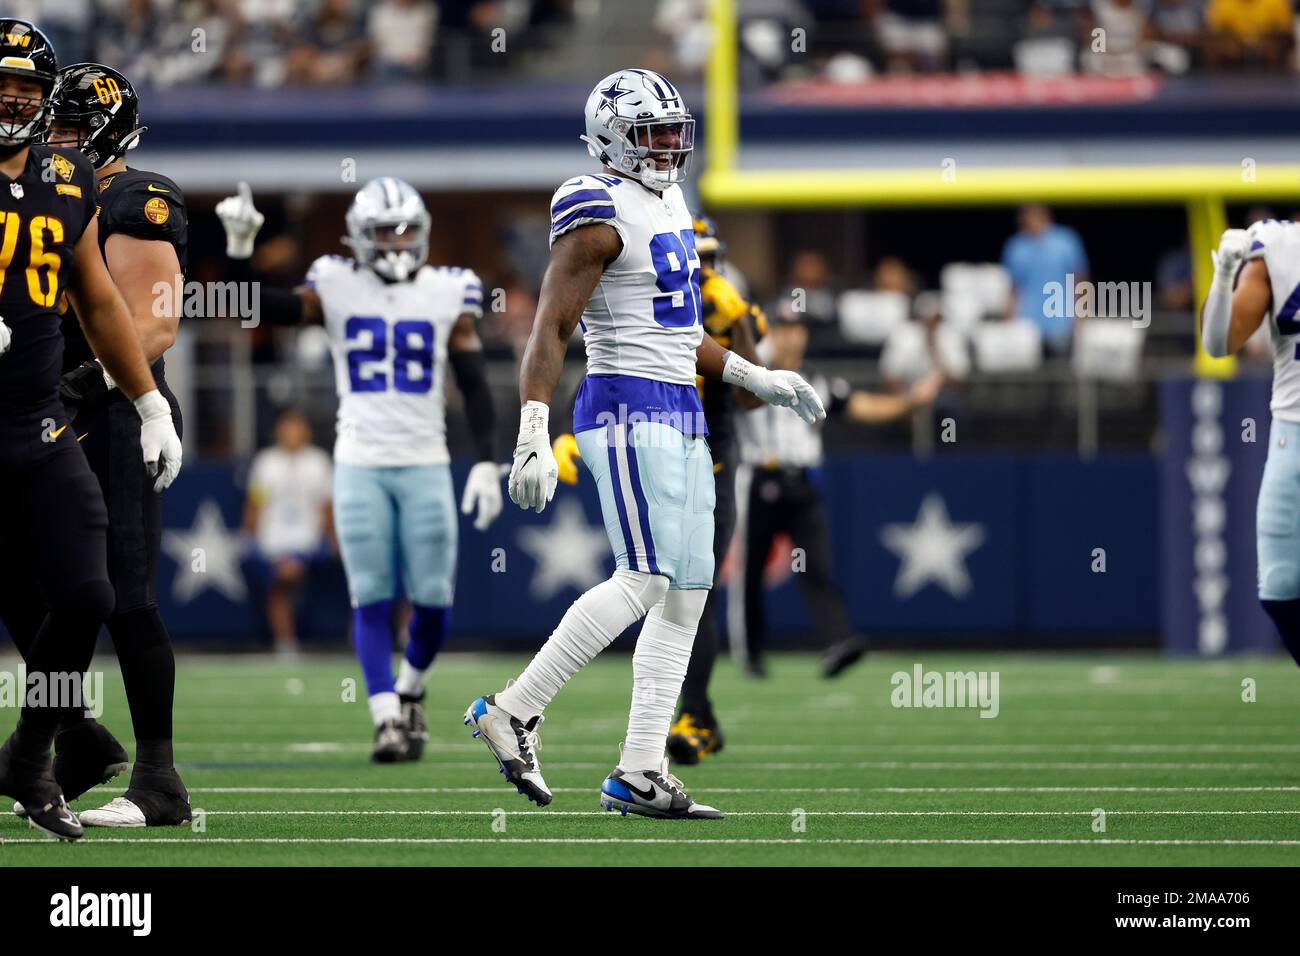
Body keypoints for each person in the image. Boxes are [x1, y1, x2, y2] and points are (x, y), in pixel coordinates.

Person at [463, 68, 825, 819]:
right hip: (626, 407)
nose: (667, 146)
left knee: (688, 595)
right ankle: (512, 710)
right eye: (651, 134)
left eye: (672, 132)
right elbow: (553, 325)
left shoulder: (668, 199)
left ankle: (639, 770)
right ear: (609, 138)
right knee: (644, 579)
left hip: (684, 409)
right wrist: (533, 424)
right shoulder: (592, 205)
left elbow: (679, 332)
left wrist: (759, 374)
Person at [215, 177, 503, 763]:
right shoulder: (336, 282)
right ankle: (386, 720)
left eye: (405, 231)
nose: (397, 242)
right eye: (383, 233)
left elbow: (474, 386)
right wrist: (242, 253)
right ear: (358, 240)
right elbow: (260, 309)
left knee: (432, 603)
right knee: (370, 597)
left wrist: (487, 463)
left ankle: (411, 691)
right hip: (360, 461)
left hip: (425, 460)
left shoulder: (451, 291)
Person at [0, 21, 182, 841]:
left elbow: (147, 319)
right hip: (43, 409)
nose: (57, 135)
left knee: (121, 594)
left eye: (70, 122)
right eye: (55, 121)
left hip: (96, 414)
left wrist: (107, 392)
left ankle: (157, 777)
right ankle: (71, 739)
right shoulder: (44, 181)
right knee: (27, 594)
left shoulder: (127, 195)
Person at [551, 214, 767, 767]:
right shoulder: (640, 298)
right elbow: (616, 358)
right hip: (648, 439)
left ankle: (691, 717)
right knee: (652, 581)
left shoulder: (726, 308)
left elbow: (748, 398)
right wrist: (573, 431)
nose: (705, 271)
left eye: (711, 259)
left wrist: (738, 322)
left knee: (694, 590)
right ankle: (657, 741)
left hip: (707, 457)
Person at [734, 310, 943, 681]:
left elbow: (861, 406)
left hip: (804, 483)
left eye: (797, 328)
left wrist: (911, 402)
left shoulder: (818, 380)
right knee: (750, 573)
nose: (791, 337)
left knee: (818, 565)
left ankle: (837, 642)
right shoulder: (750, 374)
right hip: (759, 479)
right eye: (783, 328)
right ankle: (750, 653)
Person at [1201, 220, 1300, 669]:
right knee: (1280, 590)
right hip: (1292, 431)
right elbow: (1219, 342)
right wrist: (1223, 276)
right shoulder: (1280, 245)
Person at [242, 410, 334, 659]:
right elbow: (255, 505)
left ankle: (296, 638)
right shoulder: (266, 462)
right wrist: (249, 539)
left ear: (306, 432)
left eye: (297, 427)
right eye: (287, 427)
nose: (291, 433)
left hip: (308, 542)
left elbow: (327, 507)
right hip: (272, 542)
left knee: (289, 573)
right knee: (279, 578)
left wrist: (332, 541)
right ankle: (286, 642)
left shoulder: (319, 461)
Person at [1002, 204, 1090, 357]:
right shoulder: (1016, 246)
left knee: (1061, 371)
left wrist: (1082, 316)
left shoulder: (1066, 241)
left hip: (1061, 322)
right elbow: (1013, 289)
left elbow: (1081, 280)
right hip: (1027, 325)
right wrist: (1009, 321)